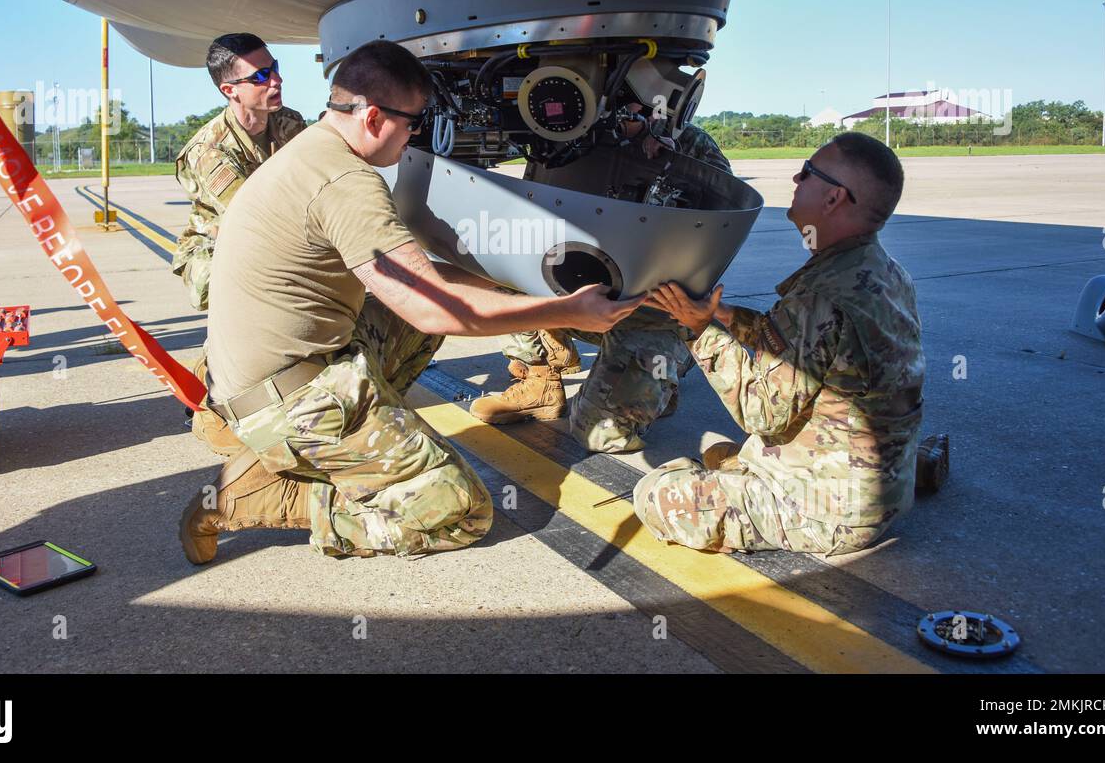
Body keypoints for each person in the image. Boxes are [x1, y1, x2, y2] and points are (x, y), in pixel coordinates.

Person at [180, 40, 643, 564]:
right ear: (374, 117)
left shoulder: (313, 148)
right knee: (461, 511)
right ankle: (273, 496)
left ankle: (357, 451)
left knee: (418, 323)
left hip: (281, 369)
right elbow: (438, 307)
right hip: (284, 395)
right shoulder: (346, 181)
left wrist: (517, 287)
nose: (415, 136)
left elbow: (417, 282)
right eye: (413, 123)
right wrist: (567, 312)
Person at [636, 131, 925, 556]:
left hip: (823, 512)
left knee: (656, 492)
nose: (795, 177)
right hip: (877, 491)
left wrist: (699, 330)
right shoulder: (879, 271)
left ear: (834, 199)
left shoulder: (823, 294)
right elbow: (803, 344)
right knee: (726, 458)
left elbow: (763, 413)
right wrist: (725, 316)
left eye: (807, 173)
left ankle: (754, 483)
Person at [471, 105, 733, 454]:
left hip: (649, 307)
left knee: (601, 434)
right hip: (582, 293)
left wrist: (675, 165)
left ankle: (659, 379)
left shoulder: (687, 142)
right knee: (508, 268)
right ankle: (539, 383)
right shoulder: (569, 136)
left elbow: (723, 222)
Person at [171, 33, 306, 455]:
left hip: (267, 238)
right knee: (258, 292)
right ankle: (214, 391)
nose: (275, 80)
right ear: (230, 90)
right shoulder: (210, 151)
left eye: (275, 68)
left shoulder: (289, 124)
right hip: (213, 254)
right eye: (261, 76)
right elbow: (255, 223)